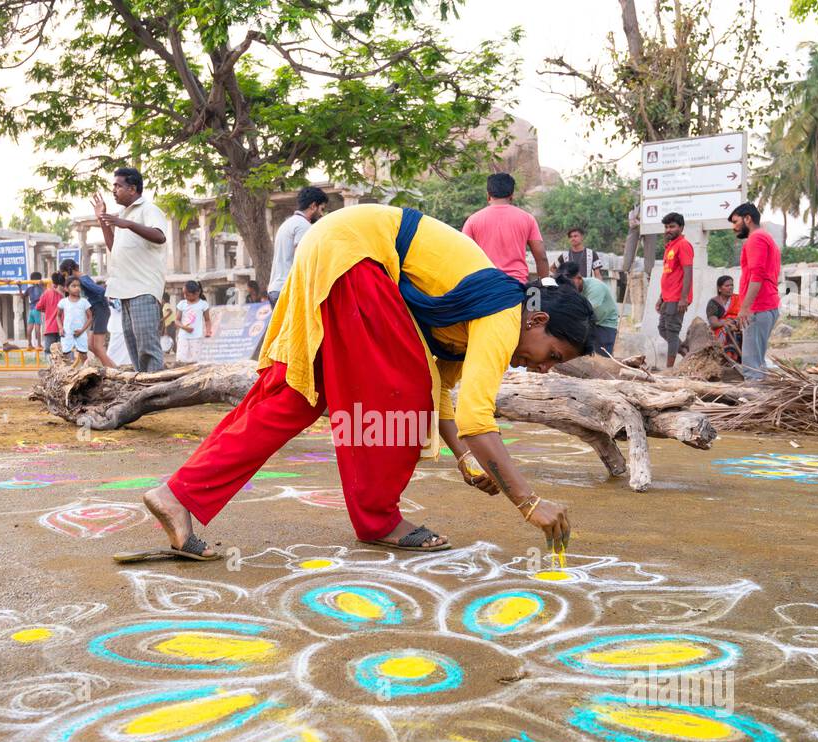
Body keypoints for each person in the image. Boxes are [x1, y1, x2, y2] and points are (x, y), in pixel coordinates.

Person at [141, 203, 592, 561]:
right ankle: (377, 520)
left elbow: (445, 394)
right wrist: (528, 502)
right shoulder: (502, 315)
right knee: (400, 393)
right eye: (550, 355)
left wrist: (464, 457)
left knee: (296, 396)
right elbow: (477, 419)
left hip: (335, 248)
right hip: (357, 255)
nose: (542, 368)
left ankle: (178, 495)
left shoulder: (481, 321)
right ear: (537, 319)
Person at [94, 167, 169, 372]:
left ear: (133, 188)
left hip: (143, 288)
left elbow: (159, 236)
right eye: (113, 185)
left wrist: (126, 223)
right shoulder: (123, 215)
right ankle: (144, 388)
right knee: (134, 347)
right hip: (125, 290)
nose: (114, 190)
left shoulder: (149, 209)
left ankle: (154, 389)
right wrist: (103, 219)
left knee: (147, 346)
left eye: (118, 185)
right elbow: (113, 247)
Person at [462, 173, 548, 283]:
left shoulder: (473, 220)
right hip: (516, 286)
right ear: (512, 195)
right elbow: (541, 256)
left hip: (484, 286)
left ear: (488, 195)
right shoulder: (527, 219)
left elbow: (463, 256)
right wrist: (544, 285)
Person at [730, 202, 782, 381]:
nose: (734, 227)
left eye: (735, 222)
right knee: (758, 362)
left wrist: (744, 308)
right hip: (766, 306)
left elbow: (757, 277)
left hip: (758, 308)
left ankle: (753, 402)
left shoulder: (756, 239)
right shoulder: (766, 238)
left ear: (747, 219)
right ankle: (761, 401)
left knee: (751, 366)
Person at [268, 186, 329, 306]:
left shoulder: (288, 223)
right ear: (313, 206)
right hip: (289, 291)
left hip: (276, 289)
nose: (322, 215)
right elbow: (300, 260)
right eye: (321, 209)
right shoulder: (303, 226)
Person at [59, 259, 115, 368]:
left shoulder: (82, 280)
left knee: (98, 346)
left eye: (65, 274)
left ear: (69, 270)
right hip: (95, 312)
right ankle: (113, 367)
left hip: (100, 311)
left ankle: (112, 371)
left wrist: (101, 302)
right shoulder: (81, 280)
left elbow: (101, 291)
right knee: (90, 345)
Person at [656, 212, 693, 368]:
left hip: (677, 298)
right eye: (666, 227)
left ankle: (669, 369)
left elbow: (688, 272)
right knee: (662, 329)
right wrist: (661, 297)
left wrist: (683, 298)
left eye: (672, 226)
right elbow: (668, 274)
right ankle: (686, 352)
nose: (668, 230)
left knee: (671, 332)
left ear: (681, 227)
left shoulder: (683, 245)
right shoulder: (670, 246)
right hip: (667, 297)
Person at [558, 261, 619, 356]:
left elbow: (584, 312)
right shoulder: (571, 290)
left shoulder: (595, 287)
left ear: (579, 277)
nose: (567, 287)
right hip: (589, 323)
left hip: (605, 324)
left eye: (569, 283)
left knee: (602, 360)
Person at [706, 275, 742, 364]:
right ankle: (723, 357)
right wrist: (725, 323)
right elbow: (713, 323)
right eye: (727, 286)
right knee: (724, 330)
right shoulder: (714, 303)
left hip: (738, 326)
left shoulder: (739, 299)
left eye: (732, 285)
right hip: (720, 329)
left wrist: (734, 321)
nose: (730, 287)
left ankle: (740, 359)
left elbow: (744, 315)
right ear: (719, 288)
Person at [57, 276, 92, 367]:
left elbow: (90, 318)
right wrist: (60, 328)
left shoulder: (84, 302)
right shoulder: (63, 302)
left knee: (83, 355)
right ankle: (67, 375)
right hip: (67, 333)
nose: (77, 288)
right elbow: (58, 316)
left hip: (81, 333)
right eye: (74, 286)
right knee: (66, 355)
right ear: (66, 288)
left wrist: (82, 330)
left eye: (79, 286)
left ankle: (87, 373)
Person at [174, 280, 211, 353]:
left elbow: (207, 320)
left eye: (187, 294)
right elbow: (176, 321)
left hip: (197, 338)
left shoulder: (203, 304)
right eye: (184, 294)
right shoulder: (182, 304)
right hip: (183, 338)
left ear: (197, 293)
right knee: (182, 360)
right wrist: (184, 327)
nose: (185, 296)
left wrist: (208, 332)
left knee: (195, 361)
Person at [37, 272, 65, 358]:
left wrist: (47, 309)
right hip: (64, 327)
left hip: (50, 327)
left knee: (49, 352)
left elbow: (38, 307)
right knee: (64, 352)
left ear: (53, 282)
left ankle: (52, 369)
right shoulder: (66, 294)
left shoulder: (47, 293)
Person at [21, 271, 44, 349]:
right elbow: (45, 293)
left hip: (31, 310)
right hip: (37, 309)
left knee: (29, 328)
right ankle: (39, 344)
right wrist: (42, 286)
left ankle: (29, 344)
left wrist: (19, 287)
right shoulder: (41, 287)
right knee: (38, 328)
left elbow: (22, 296)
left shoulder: (29, 288)